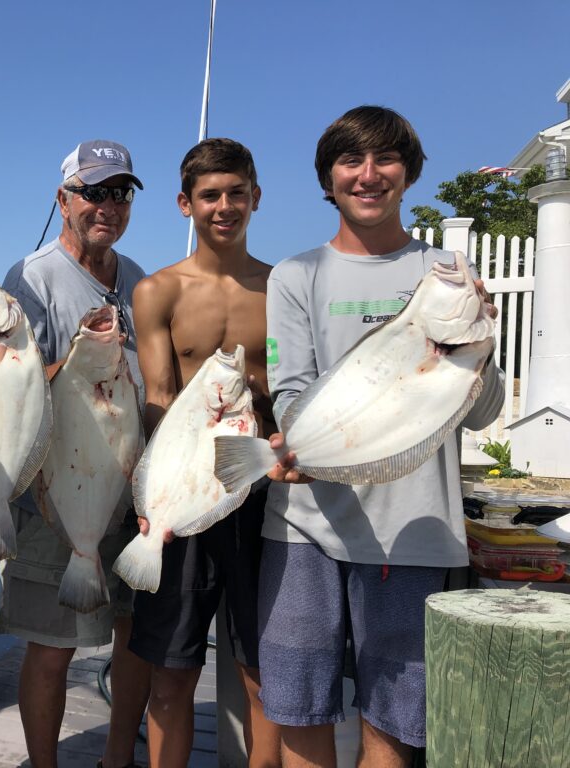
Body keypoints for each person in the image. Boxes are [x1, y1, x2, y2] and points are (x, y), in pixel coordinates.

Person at [259, 106, 503, 768]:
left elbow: (481, 414)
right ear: (328, 178)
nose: (368, 174)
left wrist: (479, 346)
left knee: (394, 723)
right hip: (305, 527)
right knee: (298, 709)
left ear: (410, 173)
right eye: (350, 160)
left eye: (385, 158)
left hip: (414, 533)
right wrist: (297, 447)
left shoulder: (446, 270)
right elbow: (290, 390)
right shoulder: (295, 275)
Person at [0, 140, 152, 768]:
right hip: (54, 493)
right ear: (63, 200)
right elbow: (11, 386)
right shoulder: (29, 278)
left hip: (129, 491)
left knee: (136, 637)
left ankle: (118, 758)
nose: (107, 205)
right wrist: (84, 360)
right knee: (50, 646)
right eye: (93, 192)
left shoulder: (141, 281)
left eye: (120, 193)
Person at [129, 138, 282, 768]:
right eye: (210, 195)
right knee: (170, 675)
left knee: (264, 673)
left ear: (256, 197)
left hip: (260, 496)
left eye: (236, 193)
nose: (225, 206)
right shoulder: (157, 290)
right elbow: (158, 400)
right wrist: (152, 501)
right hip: (183, 499)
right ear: (185, 203)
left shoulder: (282, 288)